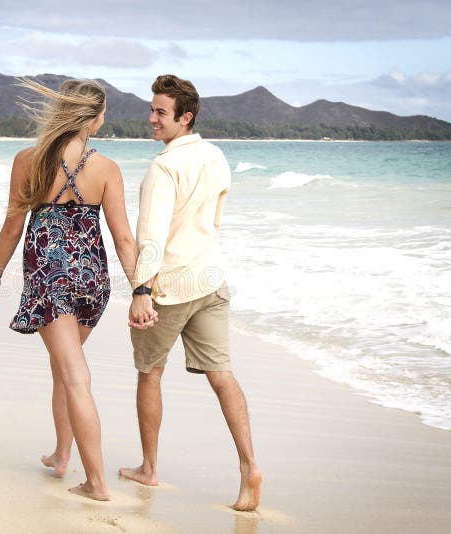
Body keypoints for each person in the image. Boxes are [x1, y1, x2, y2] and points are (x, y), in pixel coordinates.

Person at [0, 78, 153, 501]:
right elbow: (124, 240)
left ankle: (95, 483)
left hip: (50, 279)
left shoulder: (28, 160)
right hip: (91, 280)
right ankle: (62, 456)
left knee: (74, 373)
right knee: (65, 366)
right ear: (91, 120)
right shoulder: (107, 168)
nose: (103, 119)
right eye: (103, 113)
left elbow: (12, 225)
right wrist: (139, 289)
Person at [120, 74, 262, 511]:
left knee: (150, 372)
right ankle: (249, 467)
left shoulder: (163, 167)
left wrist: (141, 290)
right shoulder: (216, 156)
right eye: (152, 110)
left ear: (186, 117)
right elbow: (214, 219)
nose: (152, 119)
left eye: (161, 112)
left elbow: (151, 238)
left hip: (169, 288)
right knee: (222, 375)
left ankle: (149, 467)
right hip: (211, 279)